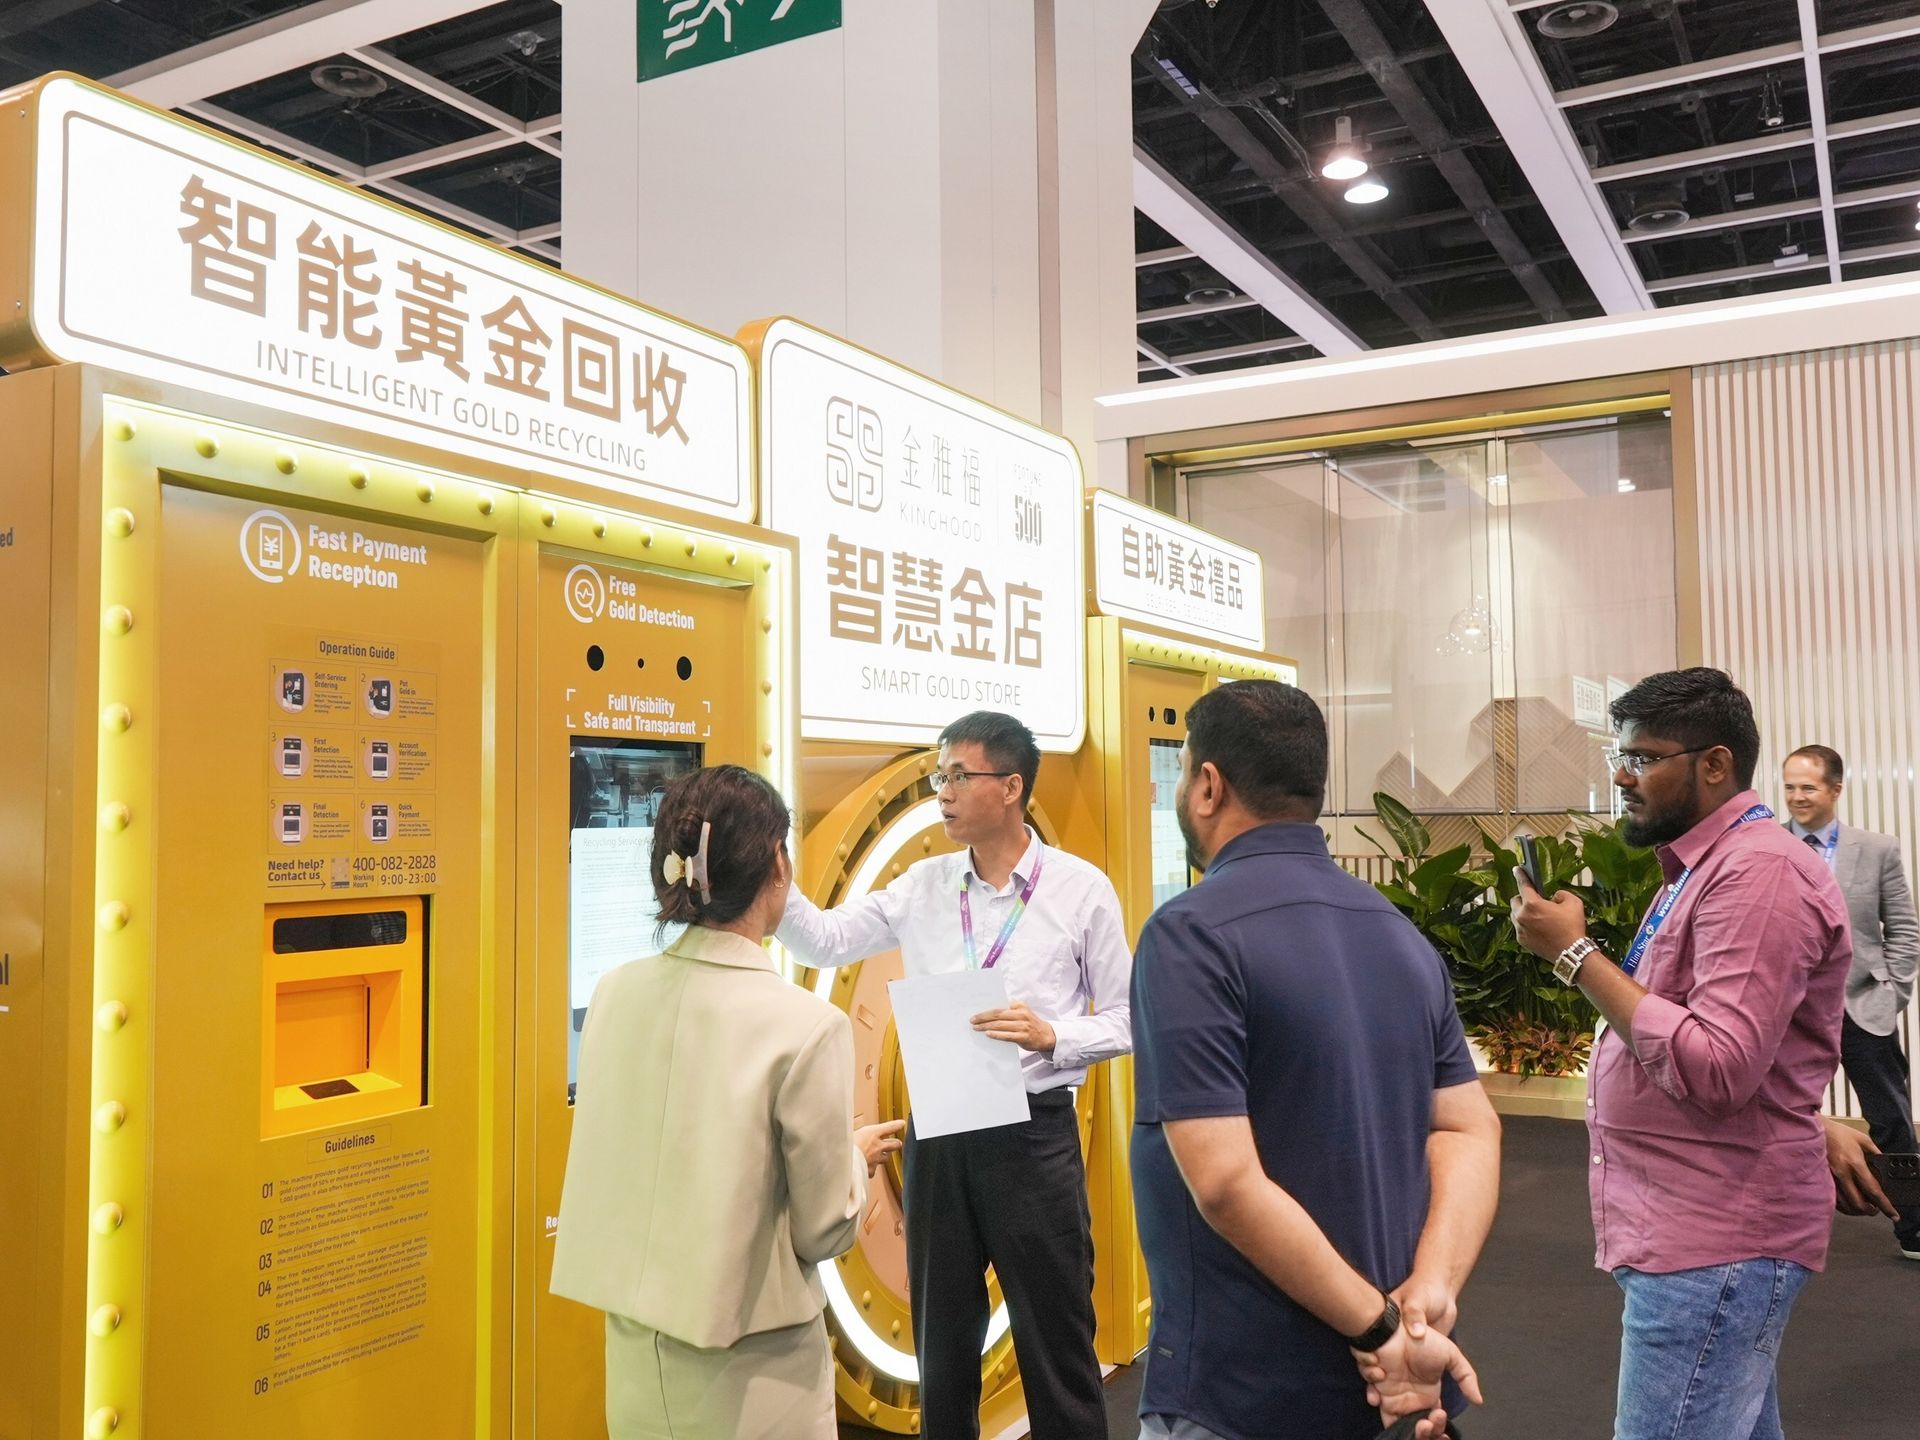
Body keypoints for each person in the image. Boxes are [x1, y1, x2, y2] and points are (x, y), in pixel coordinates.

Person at [1131, 679, 1498, 1440]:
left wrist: (1380, 1329)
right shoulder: (1398, 932)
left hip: (1244, 1391)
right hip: (1389, 1392)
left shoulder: (1189, 935)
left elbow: (1225, 1182)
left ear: (1208, 785)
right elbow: (1470, 1127)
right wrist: (1426, 1298)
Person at [1511, 668, 1850, 1440]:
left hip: (1717, 1240)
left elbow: (1719, 1066)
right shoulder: (1710, 867)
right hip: (1702, 1229)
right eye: (1619, 757)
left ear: (1715, 764)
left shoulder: (1758, 871)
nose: (1623, 776)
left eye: (1642, 758)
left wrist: (1574, 956)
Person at [776, 710, 1131, 1440]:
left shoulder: (1081, 889)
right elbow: (827, 940)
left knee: (1056, 1341)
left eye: (958, 776)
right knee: (941, 1350)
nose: (941, 791)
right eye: (940, 775)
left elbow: (1131, 1019)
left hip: (1034, 1140)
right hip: (938, 1137)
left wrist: (1054, 1035)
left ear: (1011, 787)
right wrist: (770, 875)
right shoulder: (924, 885)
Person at [551, 765, 905, 1440]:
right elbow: (824, 1228)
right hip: (757, 1378)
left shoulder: (614, 993)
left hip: (635, 1364)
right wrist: (854, 1164)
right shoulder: (806, 1026)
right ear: (778, 866)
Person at [1781, 743, 1920, 1258]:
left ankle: (1915, 1227)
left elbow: (1903, 930)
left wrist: (1891, 994)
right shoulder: (1767, 848)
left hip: (1862, 1007)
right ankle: (1779, 1223)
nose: (1797, 796)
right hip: (1788, 1011)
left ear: (1835, 789)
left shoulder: (1878, 849)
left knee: (1892, 1121)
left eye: (1808, 787)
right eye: (1790, 786)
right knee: (1782, 1116)